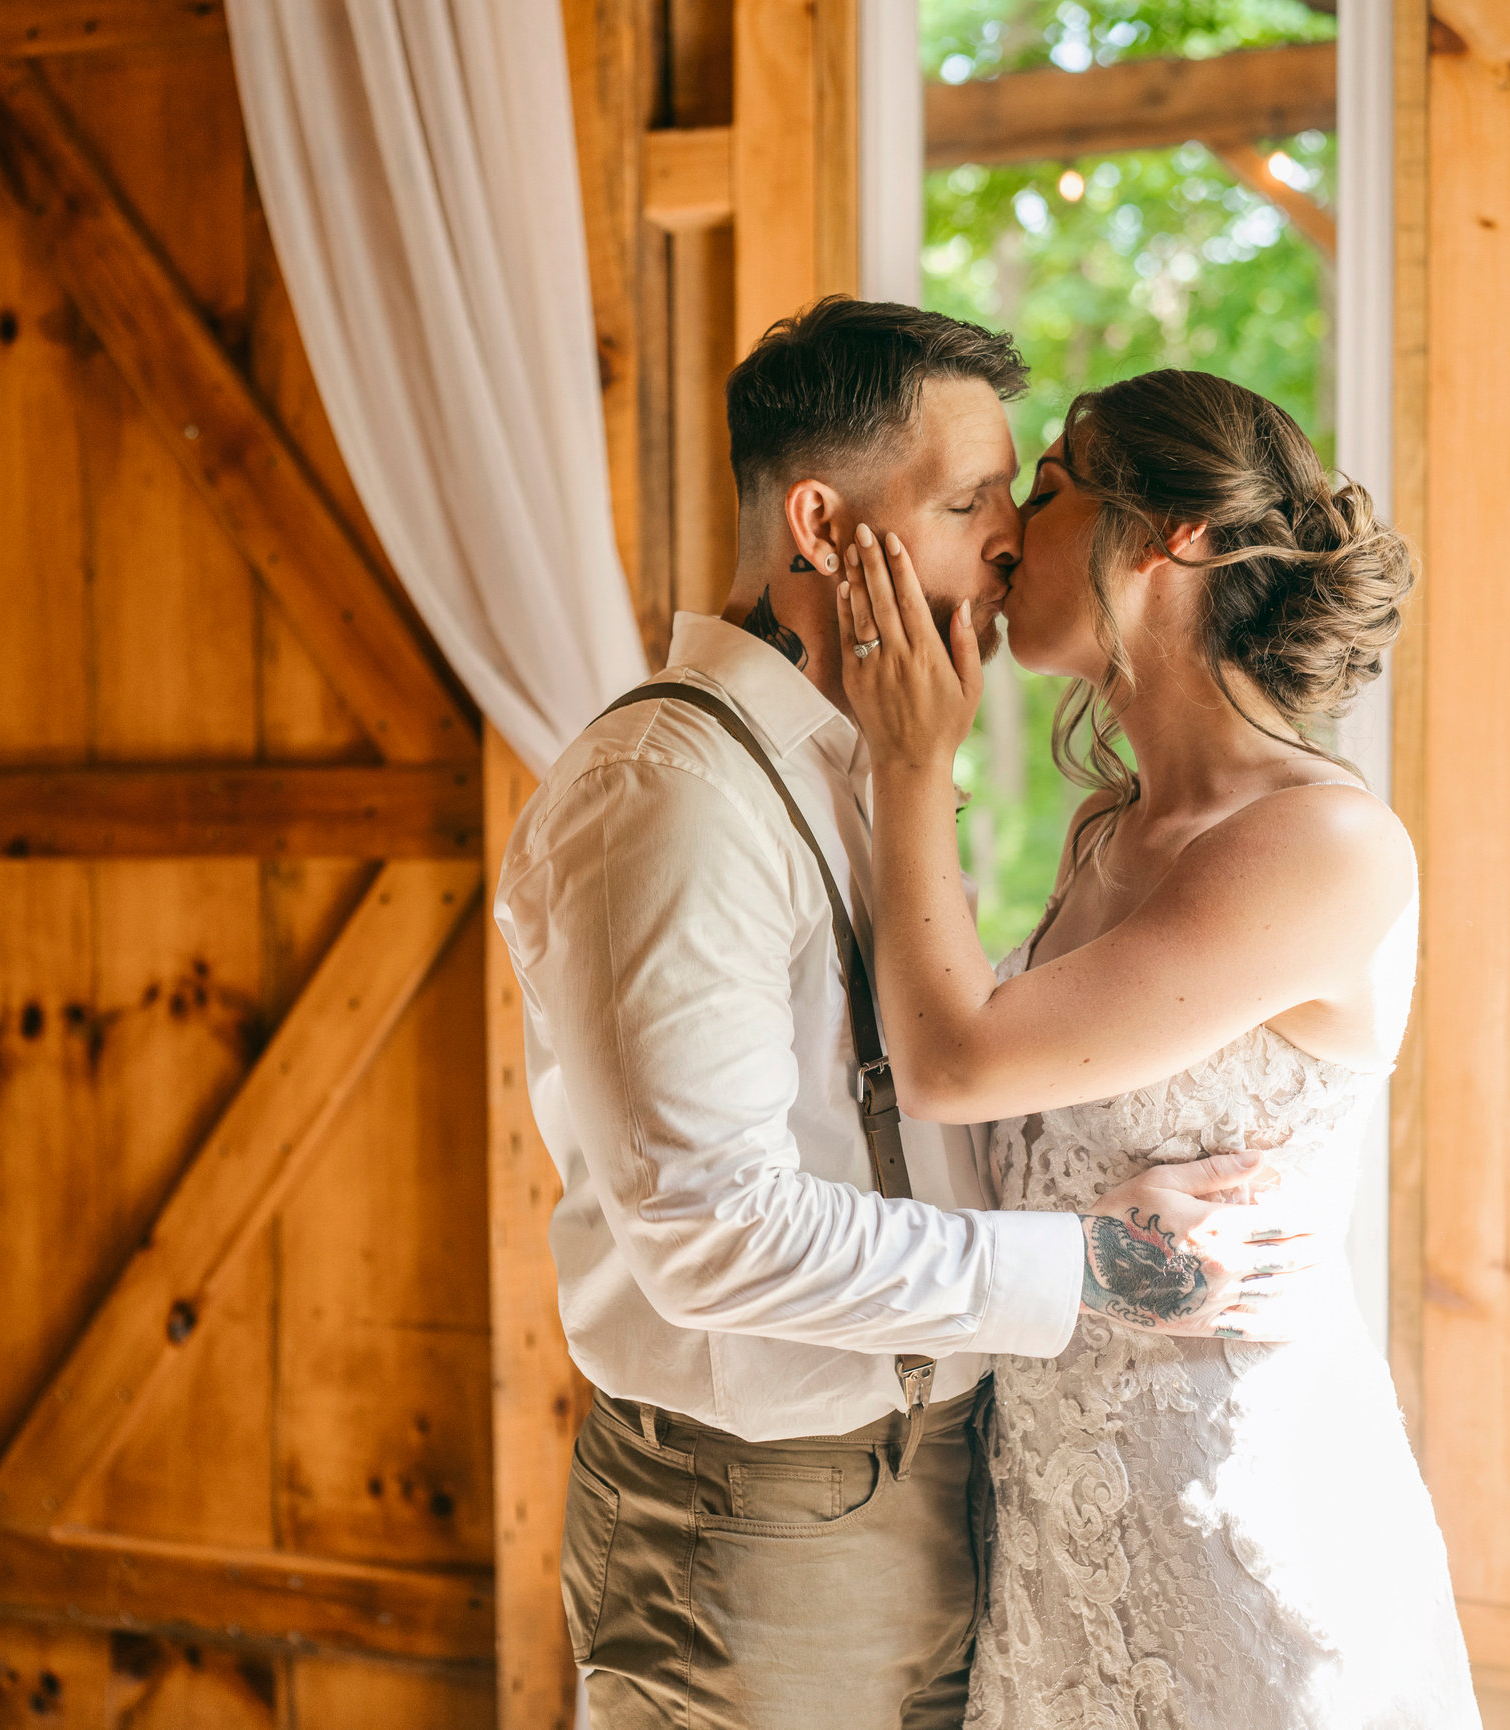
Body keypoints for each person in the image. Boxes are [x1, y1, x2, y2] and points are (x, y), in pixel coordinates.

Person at [493, 299, 1320, 1730]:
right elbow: (715, 1230)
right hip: (762, 1522)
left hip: (943, 1473)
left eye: (1012, 495)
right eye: (966, 499)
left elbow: (900, 1111)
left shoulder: (862, 763)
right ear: (821, 525)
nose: (1011, 537)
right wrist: (1092, 1270)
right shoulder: (671, 794)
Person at [837, 368, 1479, 1729]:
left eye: (1053, 485)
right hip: (1058, 1535)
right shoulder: (1105, 832)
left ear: (1174, 533)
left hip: (1238, 1531)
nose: (1007, 527)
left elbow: (955, 1059)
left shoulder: (1324, 843)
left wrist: (910, 764)